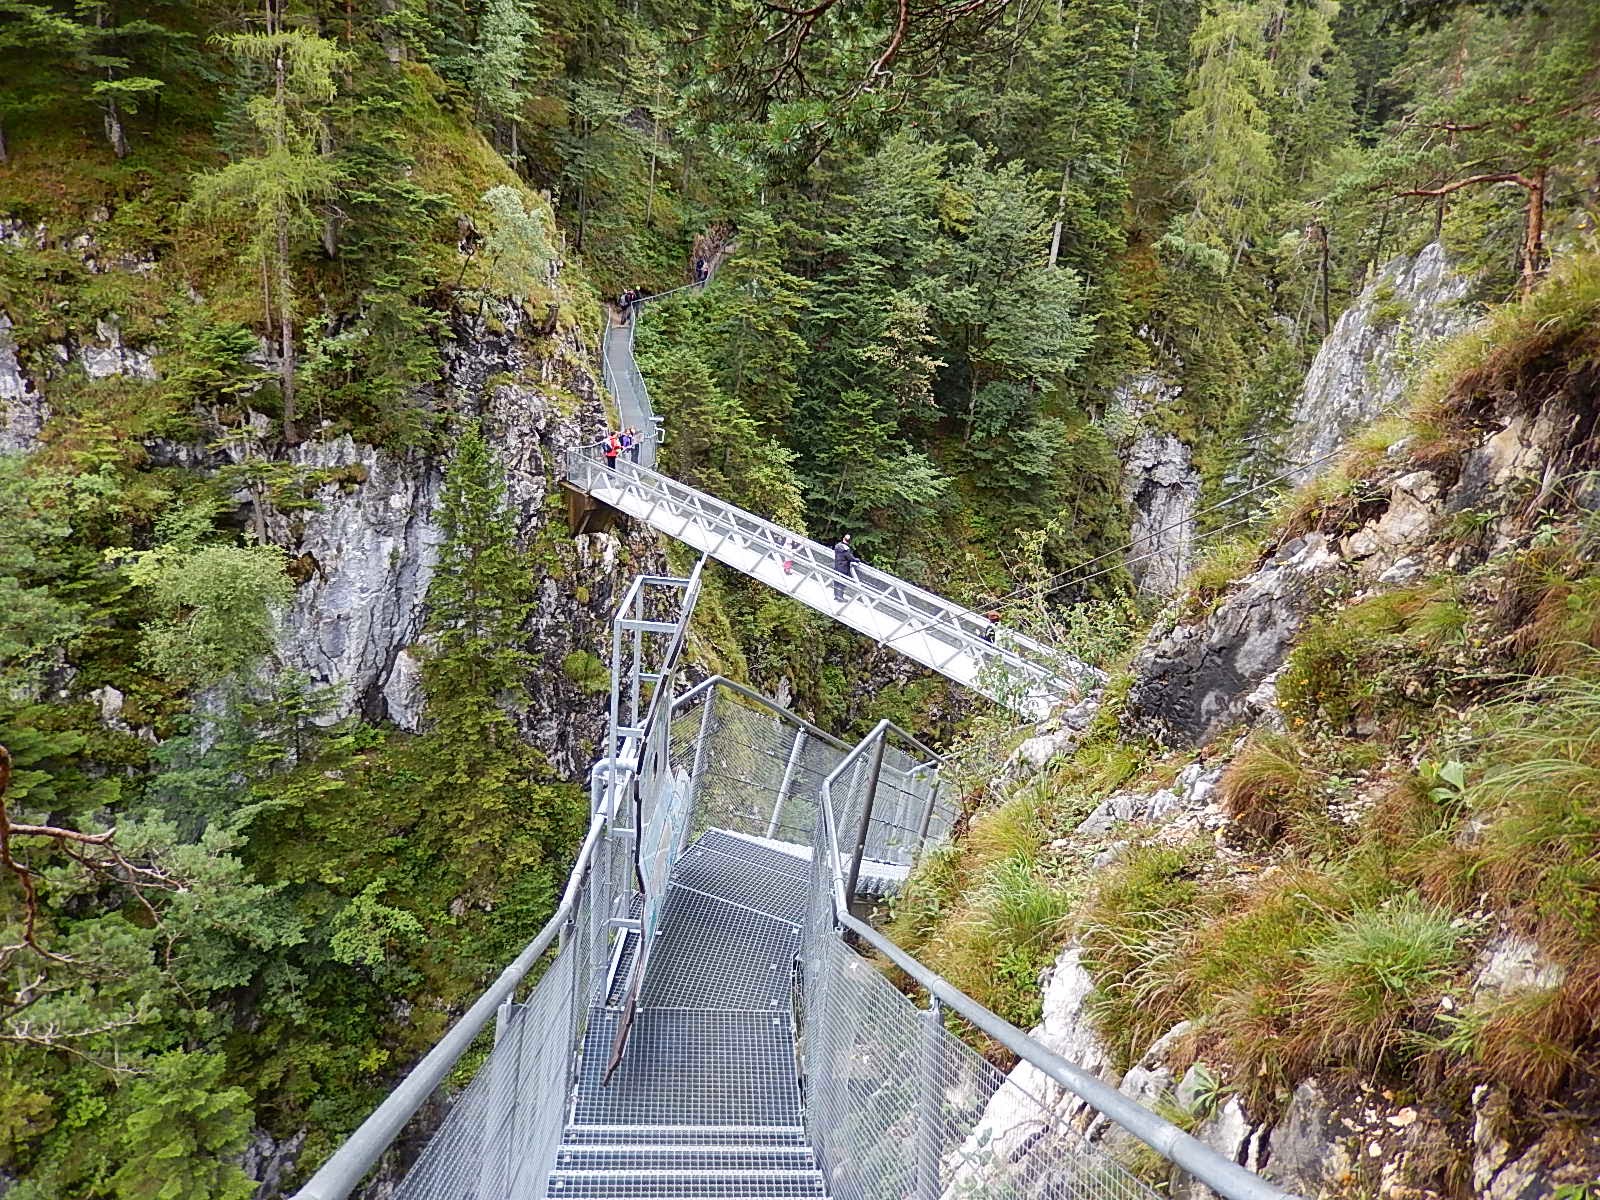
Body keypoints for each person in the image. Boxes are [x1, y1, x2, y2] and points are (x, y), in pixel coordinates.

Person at [832, 534, 860, 603]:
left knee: (836, 581)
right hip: (844, 568)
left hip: (837, 566)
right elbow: (850, 558)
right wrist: (857, 560)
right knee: (842, 582)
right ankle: (840, 597)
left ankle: (836, 596)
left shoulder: (837, 546)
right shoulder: (845, 549)